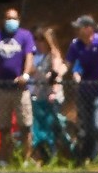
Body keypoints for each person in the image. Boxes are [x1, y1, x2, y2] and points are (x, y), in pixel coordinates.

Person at [0, 8, 35, 160]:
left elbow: (29, 57)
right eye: (8, 18)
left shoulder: (25, 36)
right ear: (3, 20)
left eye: (14, 18)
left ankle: (26, 159)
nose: (11, 22)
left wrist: (25, 75)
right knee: (3, 127)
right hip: (1, 88)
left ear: (18, 20)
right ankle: (6, 158)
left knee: (25, 126)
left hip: (20, 88)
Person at [66, 16, 98, 165]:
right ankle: (88, 159)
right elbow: (67, 63)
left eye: (79, 27)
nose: (76, 30)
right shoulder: (76, 45)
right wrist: (57, 73)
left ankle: (85, 156)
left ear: (88, 28)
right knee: (85, 129)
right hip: (84, 92)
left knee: (96, 125)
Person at [28, 26, 69, 163]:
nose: (37, 43)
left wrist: (53, 92)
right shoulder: (38, 57)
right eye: (36, 40)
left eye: (41, 40)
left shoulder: (54, 57)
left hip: (51, 97)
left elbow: (55, 77)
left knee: (51, 126)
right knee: (39, 127)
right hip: (39, 97)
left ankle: (55, 154)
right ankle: (42, 155)